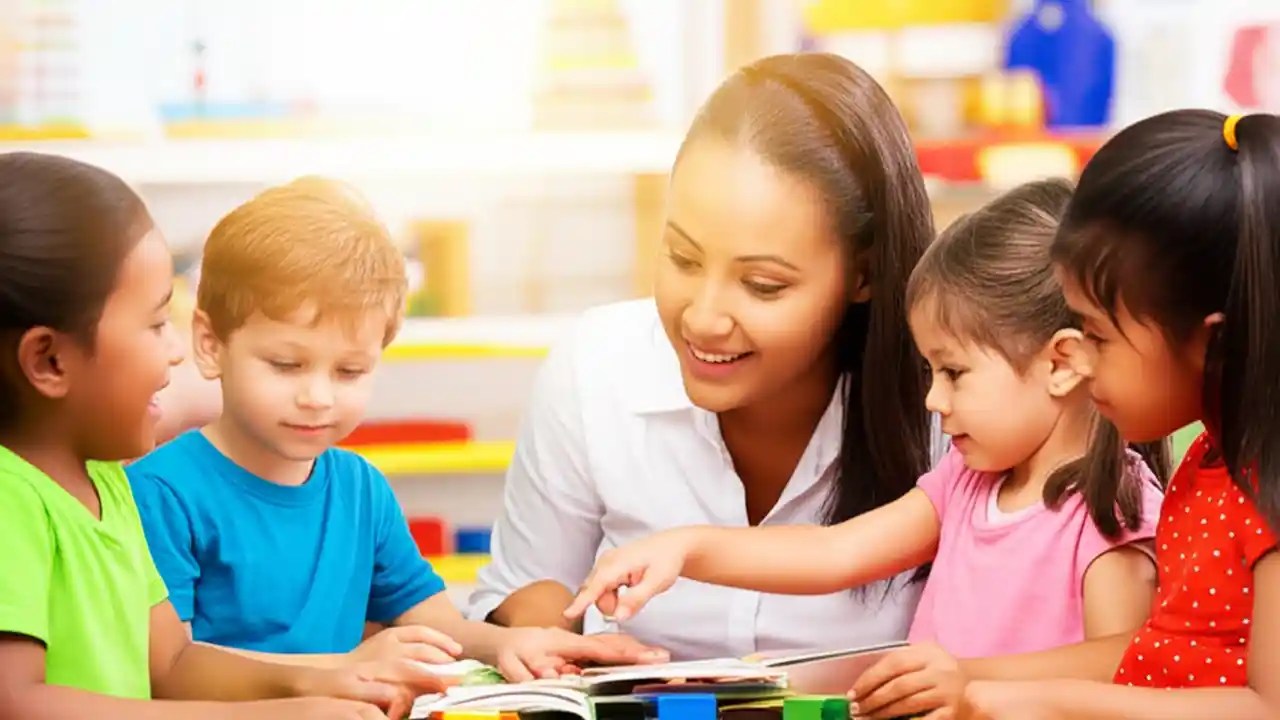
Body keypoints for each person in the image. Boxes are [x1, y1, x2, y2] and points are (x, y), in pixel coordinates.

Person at [566, 179, 1169, 666]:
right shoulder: (965, 483)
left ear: (1060, 364)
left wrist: (964, 680)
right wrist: (686, 547)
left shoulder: (1111, 510)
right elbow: (834, 554)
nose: (933, 400)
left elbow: (1121, 666)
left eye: (953, 373)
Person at [467, 52, 944, 660]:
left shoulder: (949, 402)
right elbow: (525, 592)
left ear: (864, 274)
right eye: (683, 259)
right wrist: (548, 637)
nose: (702, 318)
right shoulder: (596, 367)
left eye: (763, 285)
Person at [128, 178, 666, 683]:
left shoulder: (360, 489)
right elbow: (169, 668)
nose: (317, 396)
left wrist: (511, 643)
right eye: (286, 365)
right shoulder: (162, 492)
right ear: (209, 344)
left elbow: (439, 626)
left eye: (350, 371)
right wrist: (343, 667)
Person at [849, 111, 1280, 720]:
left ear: (1208, 344)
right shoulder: (1207, 466)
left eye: (1097, 335)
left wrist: (995, 698)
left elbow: (1268, 709)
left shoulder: (1266, 486)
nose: (1074, 357)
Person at [0, 151, 444, 720]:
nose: (176, 349)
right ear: (50, 361)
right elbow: (15, 703)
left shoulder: (107, 483)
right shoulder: (10, 500)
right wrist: (276, 714)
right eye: (157, 324)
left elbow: (173, 665)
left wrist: (330, 678)